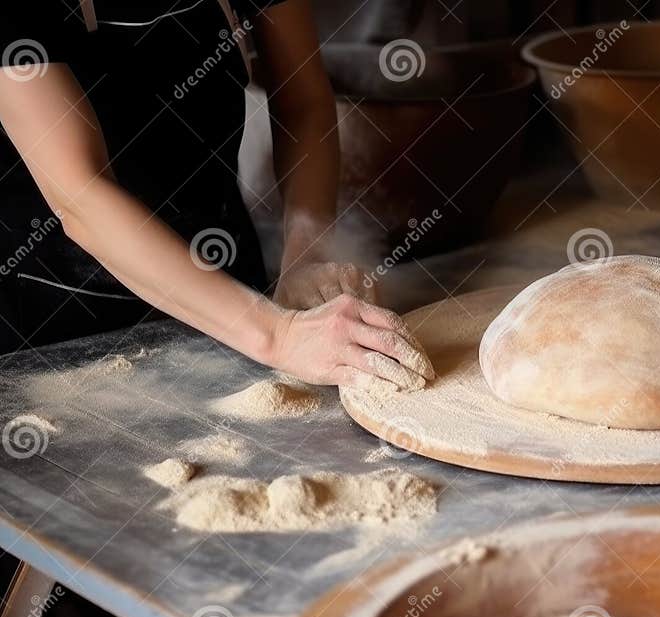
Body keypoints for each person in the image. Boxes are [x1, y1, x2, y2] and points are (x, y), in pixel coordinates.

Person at [0, 0, 435, 391]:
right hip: (60, 328)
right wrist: (279, 336)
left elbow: (303, 104)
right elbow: (79, 193)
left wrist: (307, 251)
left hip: (232, 284)